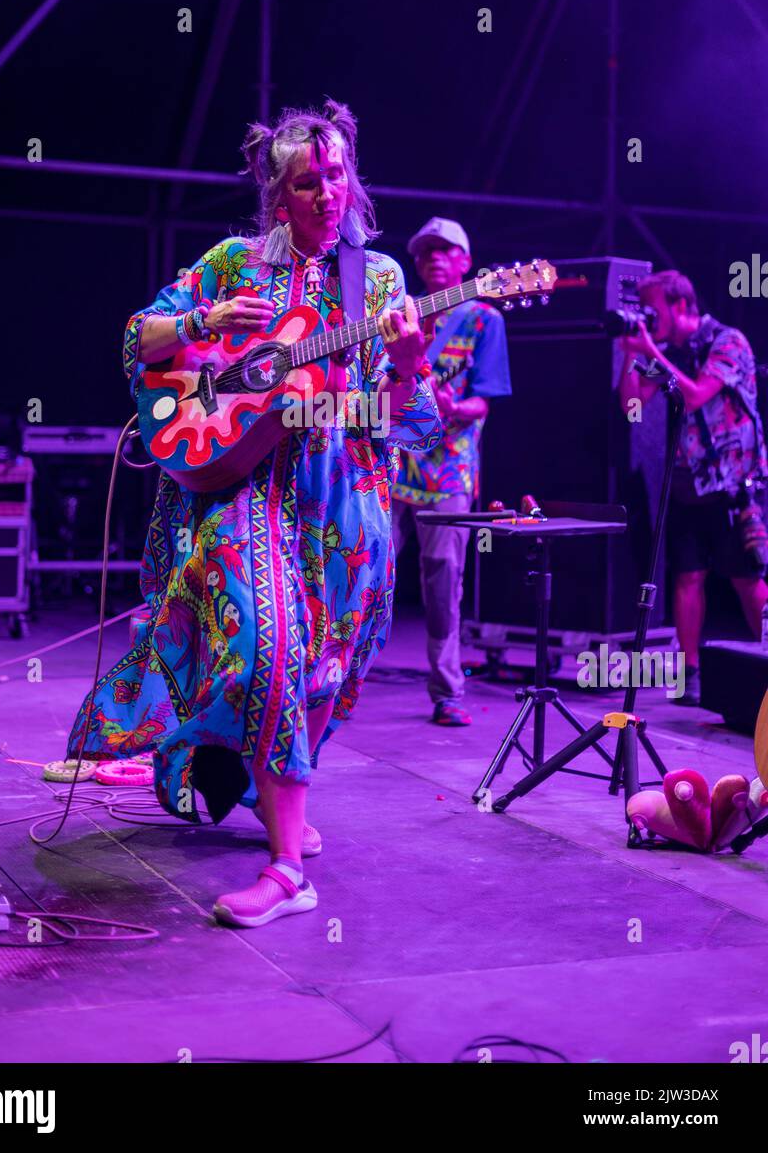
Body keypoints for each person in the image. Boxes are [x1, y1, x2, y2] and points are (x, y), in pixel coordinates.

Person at [66, 98, 441, 926]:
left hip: (344, 507)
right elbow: (139, 341)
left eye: (339, 175)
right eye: (309, 181)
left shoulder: (378, 281)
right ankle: (285, 871)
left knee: (321, 673)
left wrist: (408, 368)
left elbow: (401, 422)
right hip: (248, 497)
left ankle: (283, 812)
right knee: (266, 647)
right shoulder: (235, 264)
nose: (328, 192)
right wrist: (203, 320)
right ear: (279, 194)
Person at [618, 269, 768, 705]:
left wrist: (648, 349)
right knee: (687, 576)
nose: (647, 316)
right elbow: (631, 408)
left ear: (680, 305)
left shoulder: (728, 341)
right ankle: (688, 675)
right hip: (685, 484)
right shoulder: (665, 352)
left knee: (746, 577)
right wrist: (632, 355)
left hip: (733, 482)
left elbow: (700, 393)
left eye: (653, 308)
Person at [391, 218, 512, 725]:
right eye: (425, 252)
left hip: (449, 471)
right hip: (393, 461)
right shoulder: (399, 314)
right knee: (365, 565)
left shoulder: (485, 319)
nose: (435, 258)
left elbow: (485, 402)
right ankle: (335, 682)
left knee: (444, 577)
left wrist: (451, 406)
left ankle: (447, 691)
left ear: (465, 261)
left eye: (447, 250)